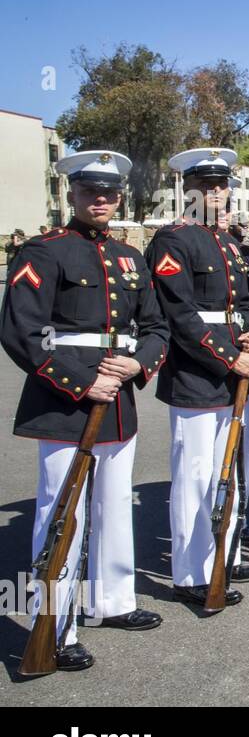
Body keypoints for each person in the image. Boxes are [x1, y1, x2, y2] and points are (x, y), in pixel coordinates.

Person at [1, 150, 170, 671]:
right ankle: (55, 624)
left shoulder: (129, 255)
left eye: (110, 192)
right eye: (90, 191)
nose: (101, 199)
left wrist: (136, 366)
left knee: (115, 506)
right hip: (67, 402)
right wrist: (81, 381)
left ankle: (114, 602)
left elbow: (156, 325)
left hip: (118, 401)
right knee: (60, 513)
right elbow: (21, 330)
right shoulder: (44, 251)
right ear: (69, 194)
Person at [147, 147, 249, 610]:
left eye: (222, 185)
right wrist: (228, 357)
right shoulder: (173, 240)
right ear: (188, 189)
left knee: (234, 468)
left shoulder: (233, 243)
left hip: (243, 367)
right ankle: (191, 571)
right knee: (196, 474)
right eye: (206, 185)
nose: (216, 192)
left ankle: (227, 552)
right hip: (200, 373)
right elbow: (178, 314)